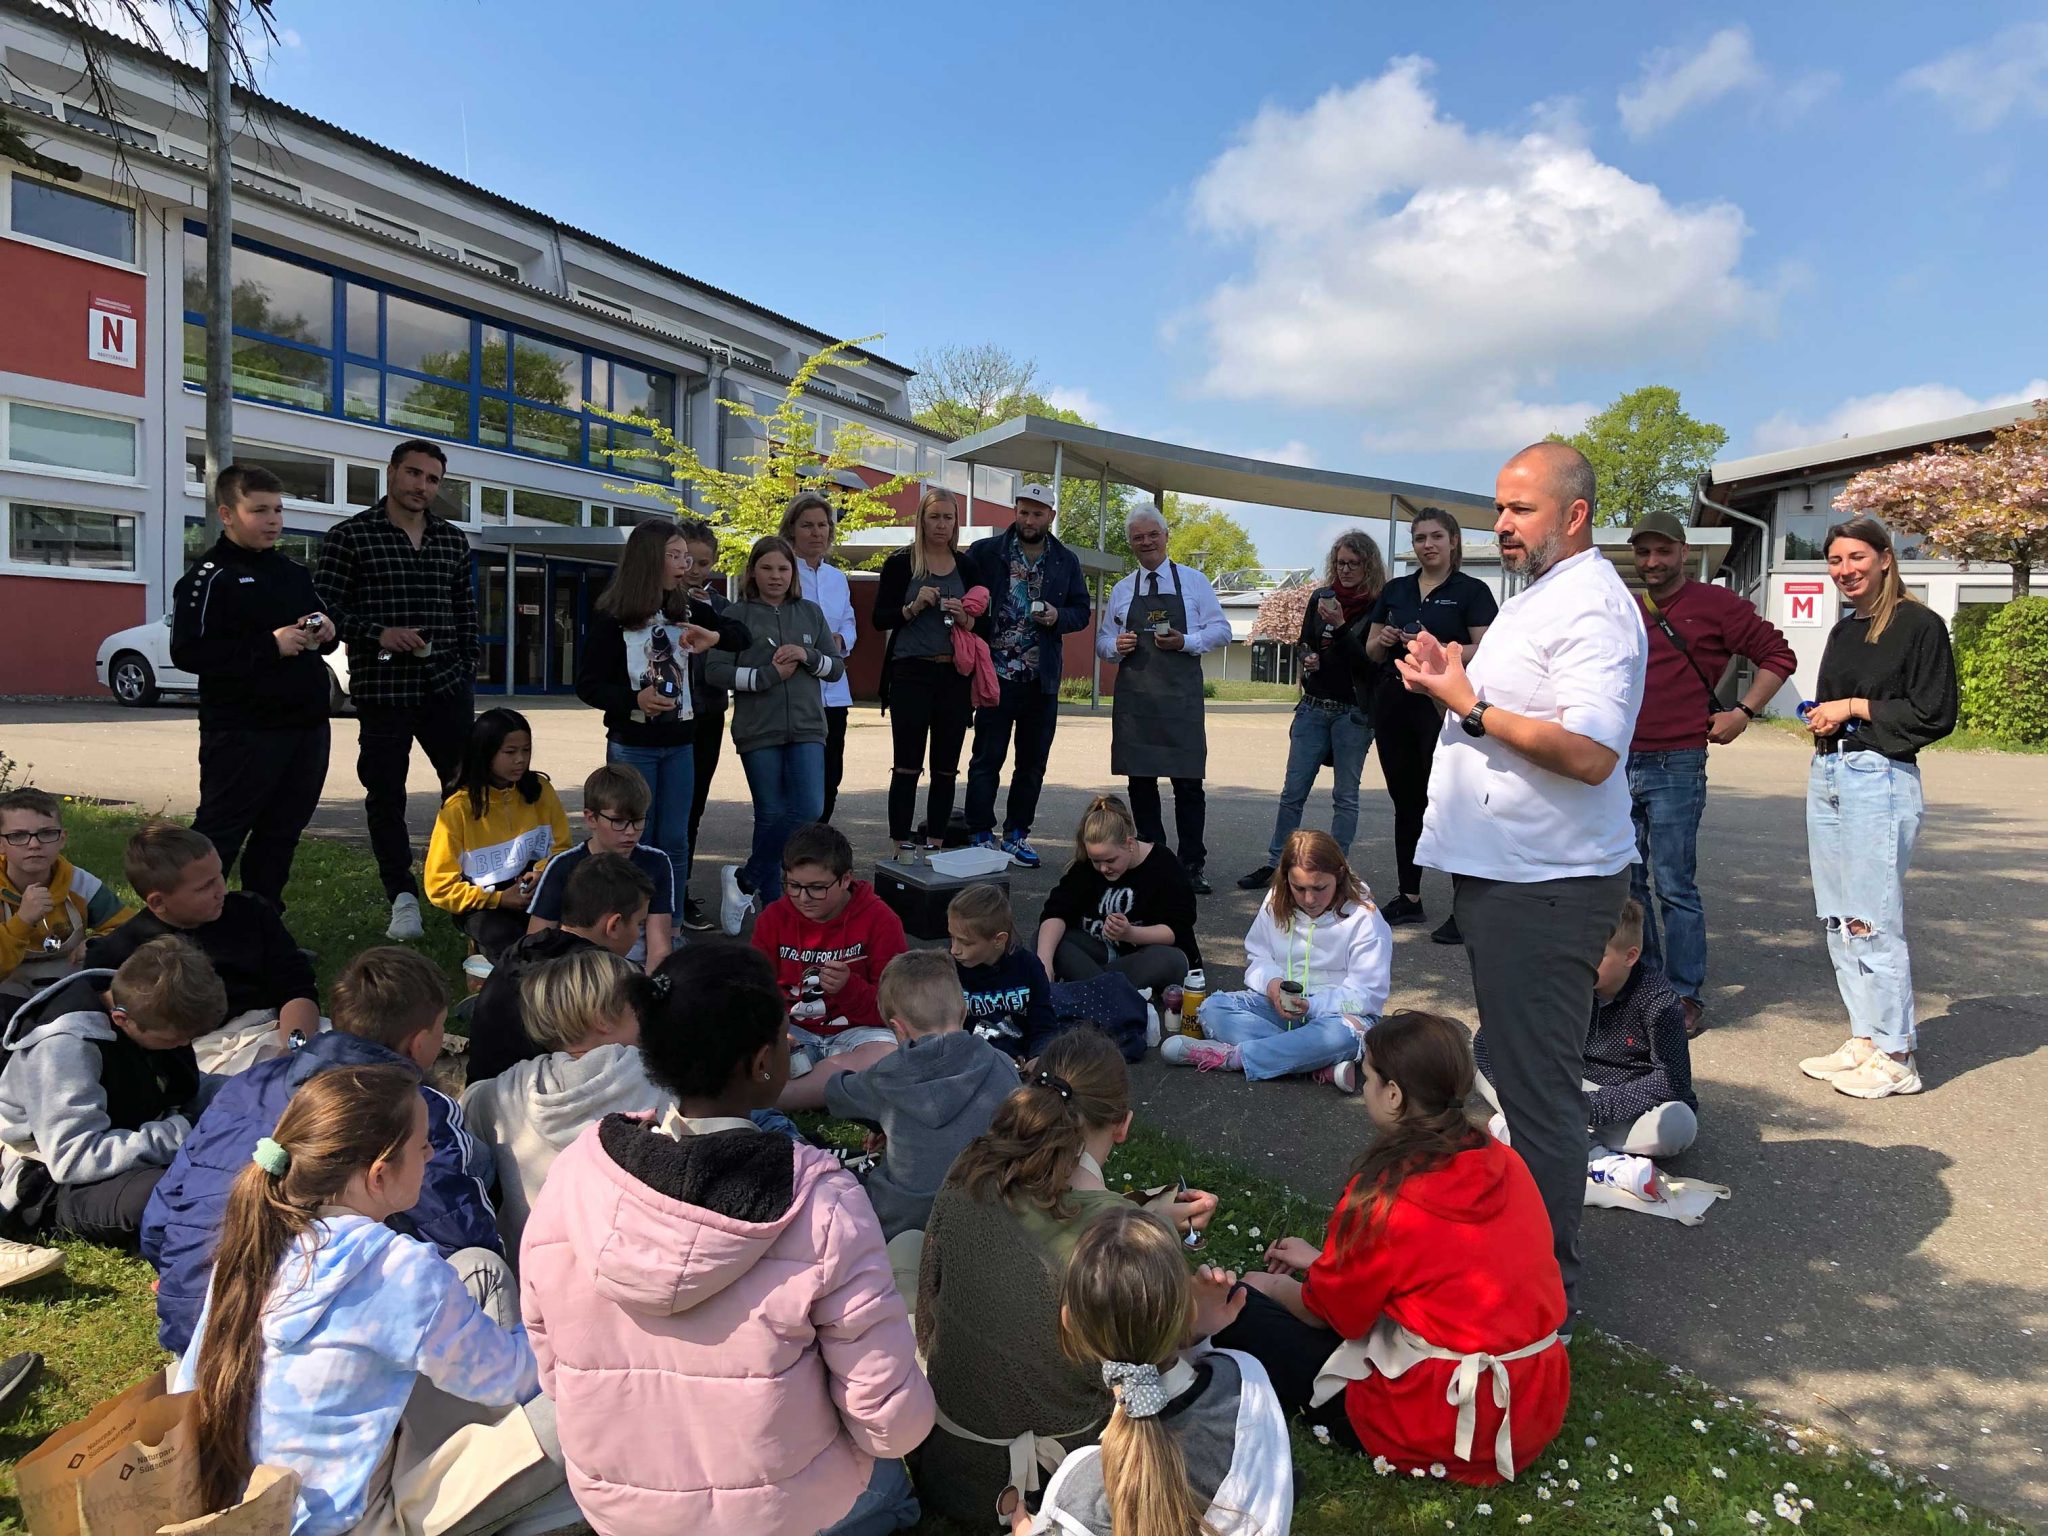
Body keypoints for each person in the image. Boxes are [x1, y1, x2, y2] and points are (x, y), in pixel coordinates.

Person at [520, 940, 934, 1536]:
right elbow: (889, 1422)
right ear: (762, 1063)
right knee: (891, 1489)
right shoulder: (823, 1204)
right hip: (781, 1511)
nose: (793, 1047)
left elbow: (553, 1364)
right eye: (786, 1037)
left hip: (624, 1505)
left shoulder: (575, 1175)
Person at [1395, 441, 1645, 1316]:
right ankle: (1523, 1264)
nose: (1499, 524)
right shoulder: (1541, 595)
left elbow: (1589, 750)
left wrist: (1471, 704)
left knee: (1539, 1093)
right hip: (1510, 878)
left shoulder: (1595, 609)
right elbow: (1505, 722)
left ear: (1573, 514)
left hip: (1549, 886)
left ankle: (1542, 1295)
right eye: (1497, 508)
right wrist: (1450, 684)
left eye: (1520, 510)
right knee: (1521, 1072)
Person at [179, 1064, 571, 1536]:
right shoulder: (395, 1269)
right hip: (357, 1520)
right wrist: (573, 1322)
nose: (430, 1152)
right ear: (379, 1175)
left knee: (476, 1268)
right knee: (583, 1399)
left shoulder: (254, 1243)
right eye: (422, 1144)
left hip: (260, 1504)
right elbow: (515, 1377)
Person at [1216, 1012, 1570, 1484]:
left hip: (1433, 1420)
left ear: (1394, 1094)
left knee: (1239, 1305)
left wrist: (1278, 1287)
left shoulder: (1386, 1195)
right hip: (1529, 1408)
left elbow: (1335, 1317)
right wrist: (1325, 1262)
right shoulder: (1504, 1160)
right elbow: (1437, 1270)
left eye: (1367, 1077)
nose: (1363, 1090)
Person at [914, 1027, 1215, 1525]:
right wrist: (1198, 1319)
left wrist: (1145, 1216)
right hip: (1061, 1488)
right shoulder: (1116, 1241)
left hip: (950, 1466)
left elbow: (942, 1289)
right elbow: (1147, 1376)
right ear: (1122, 1125)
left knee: (905, 1248)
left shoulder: (971, 1168)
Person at [143, 946, 500, 1355]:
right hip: (301, 1358)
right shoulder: (417, 1111)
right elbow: (461, 1233)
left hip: (193, 1334)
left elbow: (159, 1218)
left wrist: (179, 1279)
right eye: (441, 1027)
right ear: (420, 1043)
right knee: (480, 1253)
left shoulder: (250, 1082)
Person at [1796, 516, 1956, 1100]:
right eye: (1835, 562)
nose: (1845, 571)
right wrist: (1825, 715)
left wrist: (1855, 705)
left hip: (1880, 777)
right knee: (1838, 915)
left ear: (1886, 557)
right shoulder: (1843, 632)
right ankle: (1864, 1036)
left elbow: (1935, 713)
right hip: (1832, 770)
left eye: (1856, 558)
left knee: (1872, 915)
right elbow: (1839, 705)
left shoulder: (1920, 625)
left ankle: (1897, 1052)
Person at [1626, 509, 1797, 1035]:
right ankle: (1645, 986)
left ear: (1682, 551)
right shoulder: (1625, 606)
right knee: (1627, 882)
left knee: (1675, 883)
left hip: (1677, 759)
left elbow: (1778, 654)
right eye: (1643, 552)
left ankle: (1683, 995)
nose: (1653, 562)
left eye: (1662, 551)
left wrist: (1743, 713)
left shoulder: (1717, 604)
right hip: (1615, 761)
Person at [1026, 1206, 1292, 1536]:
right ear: (1188, 1311)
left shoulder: (1080, 1493)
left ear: (1070, 1322)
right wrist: (1195, 1335)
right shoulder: (1246, 1380)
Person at [314, 439, 480, 943]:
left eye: (432, 480)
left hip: (446, 685)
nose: (421, 487)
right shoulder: (350, 537)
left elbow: (467, 612)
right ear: (390, 473)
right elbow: (324, 609)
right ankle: (401, 895)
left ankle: (463, 891)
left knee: (465, 791)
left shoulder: (452, 540)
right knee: (386, 794)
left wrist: (467, 665)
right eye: (413, 474)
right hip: (384, 687)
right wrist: (378, 633)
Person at [172, 463, 335, 912]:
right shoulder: (210, 576)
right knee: (219, 836)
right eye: (259, 510)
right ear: (226, 514)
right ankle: (191, 931)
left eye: (278, 510)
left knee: (281, 835)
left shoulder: (292, 571)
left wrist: (325, 629)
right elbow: (189, 652)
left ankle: (261, 928)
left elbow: (321, 625)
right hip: (243, 733)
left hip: (306, 729)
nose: (273, 520)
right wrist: (269, 645)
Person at [0, 935, 224, 1247]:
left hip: (130, 1138)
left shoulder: (147, 1011)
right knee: (172, 1191)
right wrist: (183, 1134)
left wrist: (241, 1094)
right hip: (50, 1180)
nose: (183, 1046)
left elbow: (180, 1087)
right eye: (175, 1039)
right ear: (122, 1020)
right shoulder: (64, 1049)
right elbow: (73, 1158)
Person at [577, 517, 746, 914]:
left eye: (686, 556)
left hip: (680, 744)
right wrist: (635, 700)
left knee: (674, 840)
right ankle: (625, 920)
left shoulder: (686, 605)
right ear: (649, 558)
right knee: (632, 836)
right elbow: (588, 685)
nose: (684, 564)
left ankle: (668, 924)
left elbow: (741, 636)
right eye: (675, 555)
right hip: (632, 746)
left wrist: (714, 637)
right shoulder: (613, 613)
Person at [460, 946, 665, 1258]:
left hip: (535, 1280)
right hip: (644, 1268)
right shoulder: (665, 1080)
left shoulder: (498, 1096)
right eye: (638, 1003)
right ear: (601, 1019)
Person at [83, 822, 318, 1075]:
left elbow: (296, 986)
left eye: (219, 876)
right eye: (205, 887)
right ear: (158, 902)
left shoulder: (251, 912)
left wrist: (295, 1049)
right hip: (206, 1052)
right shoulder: (125, 949)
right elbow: (117, 1014)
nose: (221, 891)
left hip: (283, 1029)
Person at [1360, 506, 1497, 940]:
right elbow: (1370, 650)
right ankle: (1410, 897)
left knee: (1452, 802)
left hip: (1443, 706)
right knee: (1407, 803)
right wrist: (1380, 641)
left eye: (1436, 537)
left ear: (1453, 541)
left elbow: (1488, 648)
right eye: (1420, 538)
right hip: (1394, 705)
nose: (1427, 545)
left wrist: (1444, 654)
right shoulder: (1396, 589)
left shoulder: (1472, 591)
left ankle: (1465, 910)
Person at [1482, 898, 1698, 1166]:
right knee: (1484, 1063)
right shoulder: (1562, 981)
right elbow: (1491, 1037)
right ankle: (1592, 1154)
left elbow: (1671, 1080)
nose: (1581, 961)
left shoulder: (1658, 1001)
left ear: (1630, 956)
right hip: (1564, 1089)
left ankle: (1539, 1133)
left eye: (1596, 953)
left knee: (1678, 1125)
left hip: (1622, 1103)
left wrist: (1587, 1108)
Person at [1172, 830, 1391, 1093]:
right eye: (1299, 888)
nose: (1309, 899)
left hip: (1338, 1016)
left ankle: (1233, 1058)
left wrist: (1312, 1005)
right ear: (1286, 879)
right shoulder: (1276, 900)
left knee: (1342, 1036)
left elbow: (1368, 994)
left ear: (1340, 876)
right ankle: (1315, 1065)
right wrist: (1272, 983)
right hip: (1282, 1007)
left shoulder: (1364, 918)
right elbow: (1258, 955)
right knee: (1213, 1008)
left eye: (1320, 888)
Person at [824, 950, 1018, 1243]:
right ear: (964, 1011)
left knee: (829, 1181)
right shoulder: (1002, 1064)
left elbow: (836, 1094)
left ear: (898, 1029)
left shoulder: (887, 1076)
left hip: (898, 1223)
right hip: (985, 1217)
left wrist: (882, 1118)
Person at [702, 535, 845, 919]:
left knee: (809, 807)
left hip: (808, 728)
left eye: (783, 568)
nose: (776, 576)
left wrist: (807, 655)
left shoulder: (810, 613)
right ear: (753, 572)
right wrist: (767, 675)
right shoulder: (735, 614)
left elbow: (836, 668)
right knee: (769, 816)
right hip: (757, 730)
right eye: (767, 568)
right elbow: (714, 671)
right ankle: (772, 910)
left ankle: (744, 880)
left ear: (793, 572)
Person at [1238, 531, 1386, 891]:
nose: (1345, 570)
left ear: (1368, 565)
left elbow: (1367, 664)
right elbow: (1305, 638)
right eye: (1340, 563)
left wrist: (1338, 625)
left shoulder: (1377, 605)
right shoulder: (1322, 596)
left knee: (1345, 796)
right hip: (1314, 706)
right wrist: (1307, 655)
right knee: (1293, 792)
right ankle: (1278, 865)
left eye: (1353, 563)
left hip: (1353, 712)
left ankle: (1338, 872)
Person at [1097, 507, 1232, 894]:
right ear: (1131, 543)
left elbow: (1221, 630)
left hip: (1181, 700)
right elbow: (1103, 645)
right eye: (1138, 537)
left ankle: (1191, 864)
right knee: (1141, 784)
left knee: (1188, 784)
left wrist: (1186, 642)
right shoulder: (1123, 589)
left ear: (1166, 536)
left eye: (1152, 535)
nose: (1146, 543)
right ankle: (1153, 859)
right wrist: (1116, 646)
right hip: (1137, 701)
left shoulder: (1194, 581)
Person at [962, 482, 1092, 868]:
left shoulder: (1065, 561)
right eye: (1023, 511)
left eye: (1037, 513)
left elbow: (1081, 611)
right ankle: (980, 834)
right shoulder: (986, 552)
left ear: (1050, 516)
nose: (1029, 519)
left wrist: (1057, 616)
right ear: (1015, 511)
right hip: (994, 675)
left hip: (1041, 678)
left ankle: (1017, 835)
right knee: (986, 758)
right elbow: (966, 593)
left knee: (1032, 763)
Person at [750, 823, 909, 1110]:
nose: (803, 898)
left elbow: (894, 1010)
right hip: (793, 1033)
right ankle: (832, 1089)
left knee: (890, 1057)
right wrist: (774, 1028)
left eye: (817, 888)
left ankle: (784, 1095)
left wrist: (849, 989)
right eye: (793, 885)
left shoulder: (880, 920)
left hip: (859, 1036)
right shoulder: (773, 918)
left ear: (846, 879)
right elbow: (753, 991)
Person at [466, 852, 653, 1086]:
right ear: (614, 925)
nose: (638, 933)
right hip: (544, 1107)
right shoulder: (602, 980)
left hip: (488, 1095)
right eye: (639, 924)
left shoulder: (521, 950)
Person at [424, 707, 572, 964]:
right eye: (510, 752)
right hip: (481, 903)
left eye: (526, 750)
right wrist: (499, 899)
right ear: (485, 752)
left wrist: (540, 872)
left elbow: (562, 849)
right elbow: (439, 886)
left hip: (535, 890)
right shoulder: (458, 809)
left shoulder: (540, 790)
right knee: (511, 947)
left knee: (570, 934)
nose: (520, 760)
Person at [873, 489, 976, 850]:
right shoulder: (901, 563)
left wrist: (967, 618)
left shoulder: (967, 565)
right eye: (935, 517)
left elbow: (987, 625)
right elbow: (878, 619)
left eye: (948, 517)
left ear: (956, 522)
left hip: (954, 676)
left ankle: (935, 842)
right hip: (910, 673)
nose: (941, 525)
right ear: (921, 520)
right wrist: (913, 607)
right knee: (907, 766)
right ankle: (900, 844)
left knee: (946, 768)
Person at [1036, 795, 1200, 994]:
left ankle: (1089, 990)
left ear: (1130, 844)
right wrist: (1044, 964)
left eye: (1111, 860)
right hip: (1104, 952)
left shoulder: (1162, 864)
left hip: (1144, 954)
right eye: (1096, 861)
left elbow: (1177, 927)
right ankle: (1107, 993)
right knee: (1044, 939)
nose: (1103, 868)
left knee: (1171, 961)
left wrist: (1130, 933)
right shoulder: (1088, 866)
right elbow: (1056, 910)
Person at [526, 762, 675, 971]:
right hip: (576, 974)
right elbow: (537, 943)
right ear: (591, 818)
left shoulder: (656, 863)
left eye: (638, 820)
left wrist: (648, 993)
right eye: (618, 821)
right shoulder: (563, 866)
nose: (630, 831)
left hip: (636, 971)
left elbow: (659, 949)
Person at [0, 786, 133, 1011]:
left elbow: (130, 931)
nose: (34, 844)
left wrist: (97, 945)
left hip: (70, 987)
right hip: (8, 987)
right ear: (1, 844)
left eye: (47, 833)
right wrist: (22, 920)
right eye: (18, 836)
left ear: (62, 839)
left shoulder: (81, 884)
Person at [783, 491, 860, 823]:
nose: (817, 532)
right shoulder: (782, 572)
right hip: (796, 690)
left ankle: (818, 848)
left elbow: (848, 621)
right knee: (797, 781)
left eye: (823, 525)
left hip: (835, 690)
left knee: (831, 776)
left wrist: (839, 641)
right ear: (791, 530)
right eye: (807, 525)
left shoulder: (837, 577)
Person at [681, 522, 733, 930]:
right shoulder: (659, 601)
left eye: (704, 562)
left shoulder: (720, 605)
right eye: (687, 560)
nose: (695, 570)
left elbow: (737, 645)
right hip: (668, 714)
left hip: (709, 713)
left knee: (693, 806)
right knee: (662, 808)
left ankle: (680, 889)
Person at [948, 884, 1056, 1061]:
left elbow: (1044, 1025)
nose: (954, 950)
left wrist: (1038, 1056)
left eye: (965, 943)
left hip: (1018, 1061)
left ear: (999, 940)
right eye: (951, 937)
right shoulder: (949, 969)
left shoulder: (1028, 967)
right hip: (966, 1062)